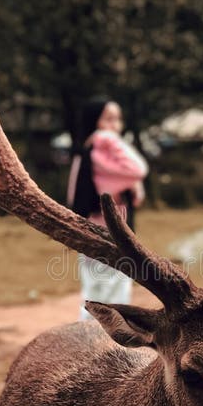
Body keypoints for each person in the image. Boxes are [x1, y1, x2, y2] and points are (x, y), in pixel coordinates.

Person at [67, 96, 148, 318]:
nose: (116, 126)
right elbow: (138, 169)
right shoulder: (100, 148)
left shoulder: (90, 151)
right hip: (104, 229)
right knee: (107, 292)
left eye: (118, 119)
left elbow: (133, 186)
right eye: (108, 119)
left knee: (106, 288)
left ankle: (99, 342)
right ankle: (99, 343)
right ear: (95, 122)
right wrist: (108, 138)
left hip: (106, 228)